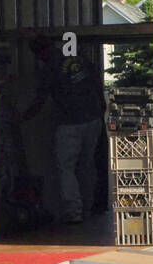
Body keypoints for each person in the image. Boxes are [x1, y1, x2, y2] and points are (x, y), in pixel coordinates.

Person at [25, 36, 106, 225]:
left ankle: (74, 210)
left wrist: (23, 118)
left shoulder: (49, 68)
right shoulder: (78, 58)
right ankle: (91, 206)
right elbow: (96, 80)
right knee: (87, 165)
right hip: (93, 118)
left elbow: (40, 100)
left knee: (66, 167)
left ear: (39, 53)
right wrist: (101, 107)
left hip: (70, 123)